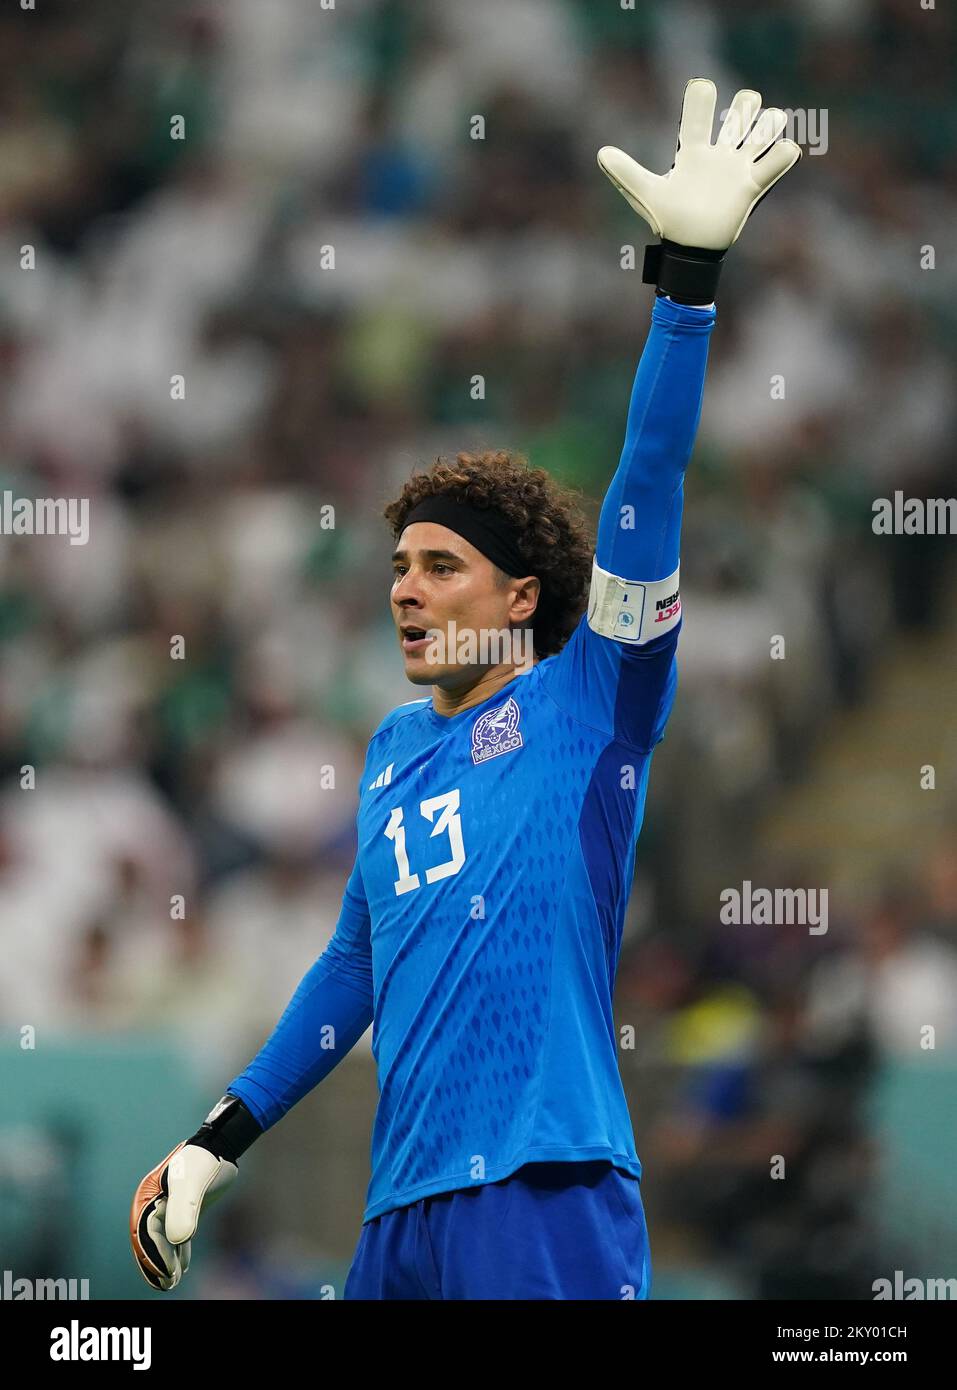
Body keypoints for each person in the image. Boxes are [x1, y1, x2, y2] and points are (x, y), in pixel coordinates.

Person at [131, 78, 800, 1300]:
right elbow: (354, 966)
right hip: (401, 1215)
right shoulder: (391, 746)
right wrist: (220, 1137)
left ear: (523, 598)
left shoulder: (595, 695)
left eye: (442, 567)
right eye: (397, 569)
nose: (406, 590)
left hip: (545, 1187)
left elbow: (650, 470)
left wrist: (685, 290)